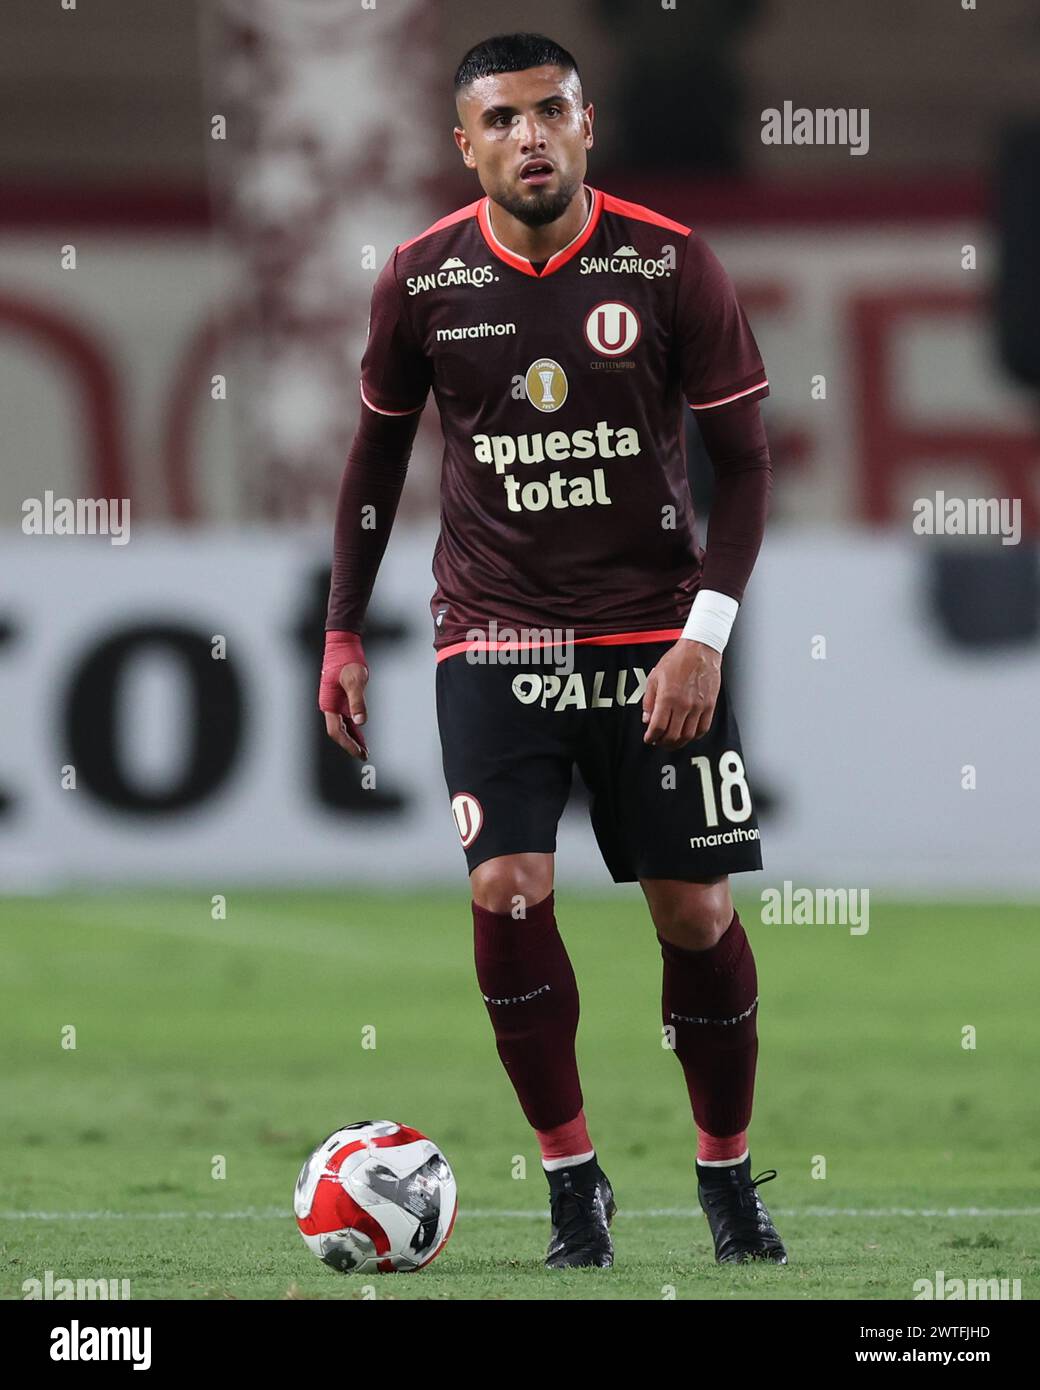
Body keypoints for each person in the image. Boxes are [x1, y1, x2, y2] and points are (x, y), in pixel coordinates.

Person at [319, 31, 786, 1270]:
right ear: (462, 145)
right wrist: (340, 626)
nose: (529, 136)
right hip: (493, 631)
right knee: (507, 890)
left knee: (691, 912)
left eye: (550, 113)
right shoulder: (418, 281)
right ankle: (573, 1181)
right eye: (502, 119)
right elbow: (371, 463)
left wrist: (703, 636)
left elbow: (743, 470)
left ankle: (726, 1175)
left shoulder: (671, 262)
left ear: (586, 128)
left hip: (652, 637)